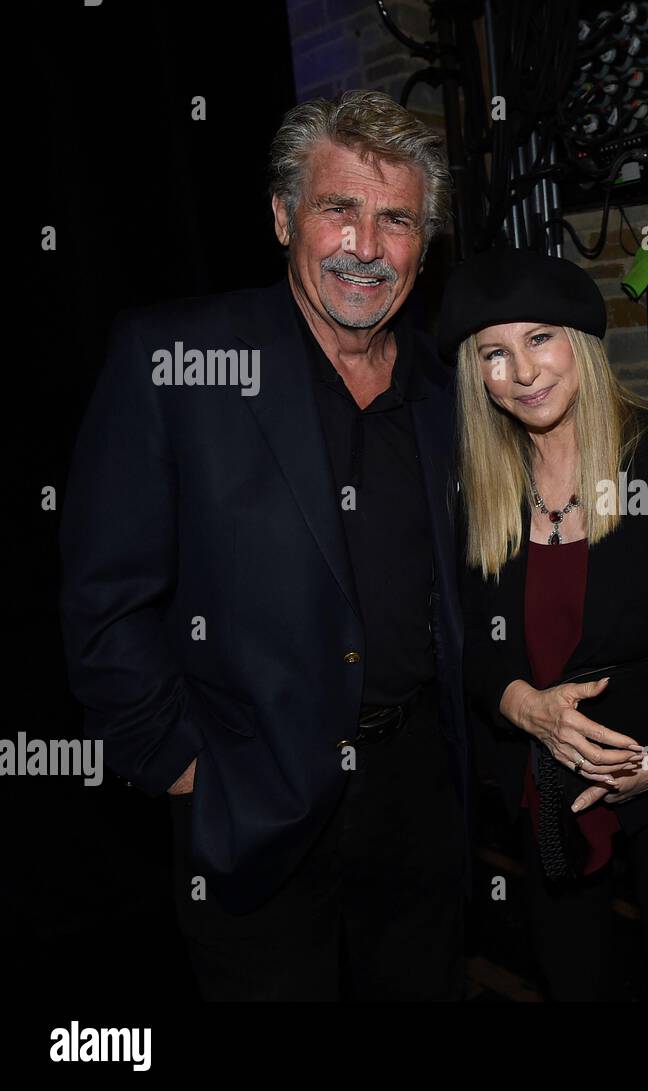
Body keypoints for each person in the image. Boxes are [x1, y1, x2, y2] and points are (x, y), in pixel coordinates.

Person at [60, 90, 469, 1000]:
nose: (367, 245)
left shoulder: (446, 391)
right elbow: (103, 597)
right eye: (340, 208)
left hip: (418, 799)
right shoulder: (175, 359)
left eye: (396, 219)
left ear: (422, 245)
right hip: (252, 802)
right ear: (284, 215)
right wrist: (176, 763)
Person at [447, 247, 648, 1000]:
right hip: (542, 791)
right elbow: (466, 640)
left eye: (540, 339)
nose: (523, 372)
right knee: (574, 978)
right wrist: (524, 708)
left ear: (582, 345)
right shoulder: (476, 487)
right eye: (494, 354)